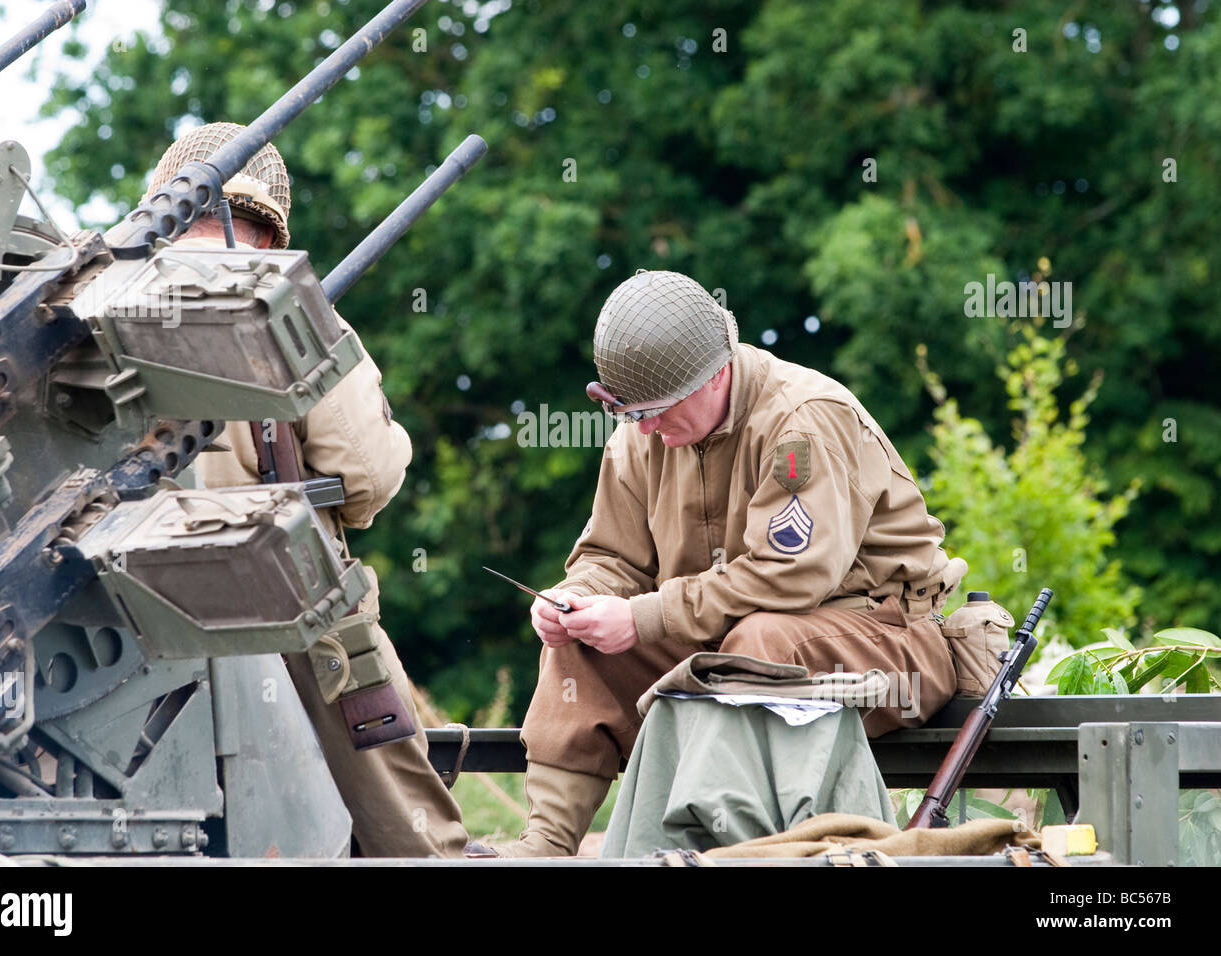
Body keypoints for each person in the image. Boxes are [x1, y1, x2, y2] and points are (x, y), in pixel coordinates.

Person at [495, 270, 963, 857]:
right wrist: (577, 599)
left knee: (758, 642)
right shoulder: (642, 431)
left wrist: (643, 617)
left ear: (717, 373)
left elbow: (788, 576)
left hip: (888, 639)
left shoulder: (804, 421)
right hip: (727, 638)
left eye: (657, 410)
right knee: (583, 644)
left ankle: (721, 849)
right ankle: (543, 846)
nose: (646, 428)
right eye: (627, 412)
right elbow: (611, 556)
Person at [146, 123, 468, 857]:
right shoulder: (288, 303)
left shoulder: (88, 301)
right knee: (411, 821)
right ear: (268, 232)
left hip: (120, 624)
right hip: (279, 610)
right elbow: (366, 476)